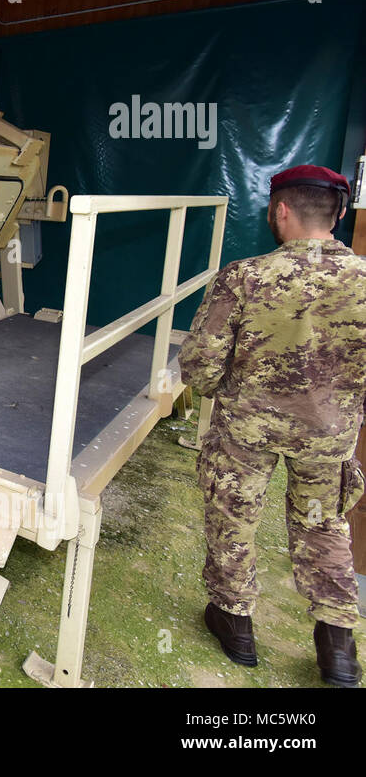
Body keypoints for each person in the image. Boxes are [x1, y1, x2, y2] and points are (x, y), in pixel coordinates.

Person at [180, 164, 366, 687]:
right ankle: (338, 651)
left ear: (280, 210)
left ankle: (236, 625)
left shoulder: (245, 277)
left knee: (234, 516)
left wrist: (231, 394)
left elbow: (199, 365)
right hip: (327, 436)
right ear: (341, 213)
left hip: (247, 430)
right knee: (322, 527)